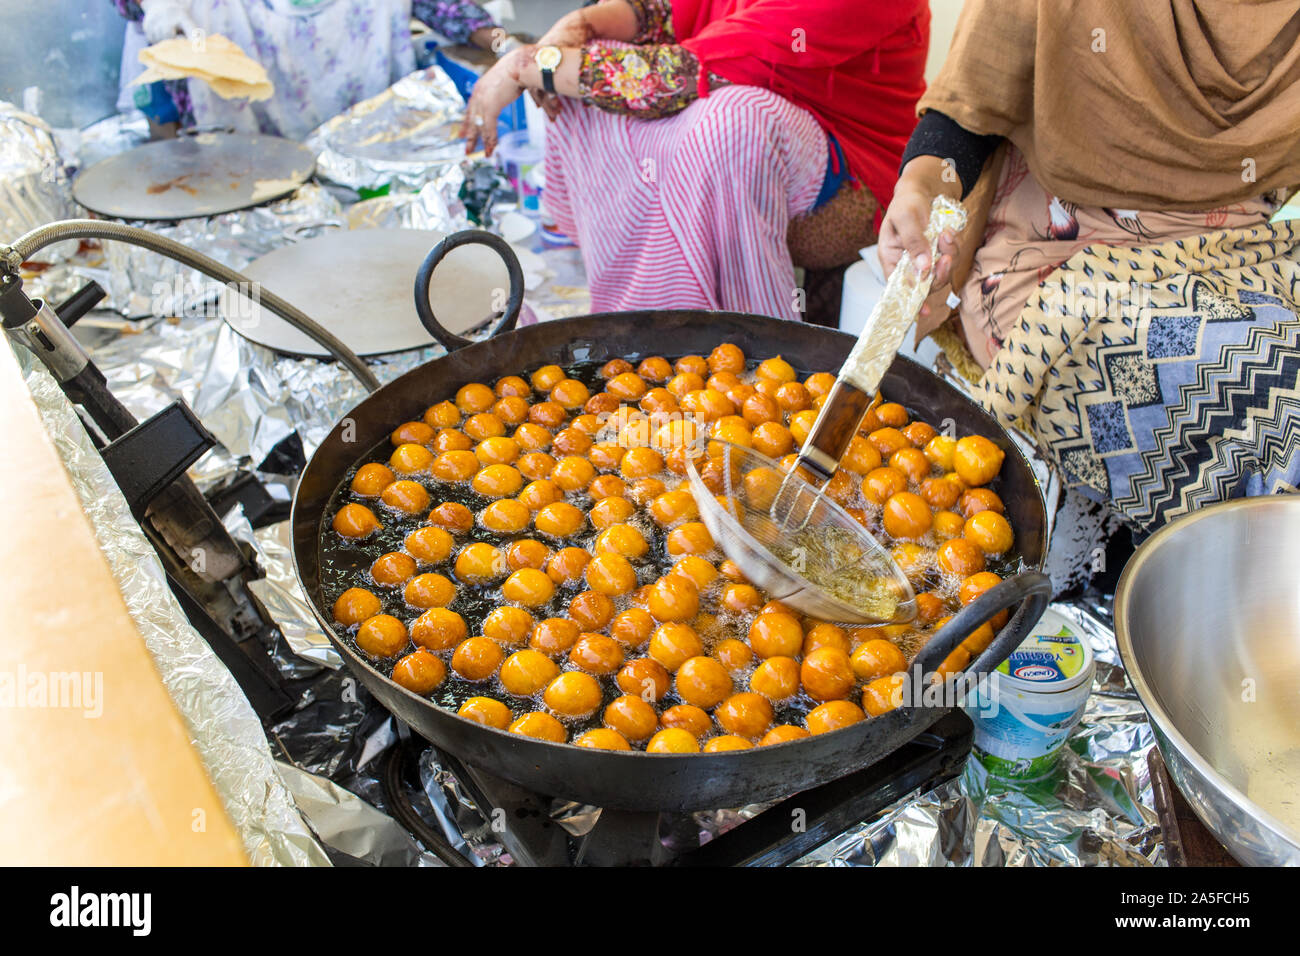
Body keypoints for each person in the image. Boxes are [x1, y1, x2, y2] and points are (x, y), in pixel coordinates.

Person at [879, 0, 1300, 533]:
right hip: (1057, 267)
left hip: (1240, 258)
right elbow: (965, 116)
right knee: (1272, 388)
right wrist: (919, 193)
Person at [462, 0, 930, 322]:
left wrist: (527, 64)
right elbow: (665, 12)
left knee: (733, 122)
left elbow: (674, 77)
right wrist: (584, 22)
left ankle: (754, 345)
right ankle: (640, 316)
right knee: (590, 62)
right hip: (752, 130)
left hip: (853, 181)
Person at [113, 0, 506, 139]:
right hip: (238, 153)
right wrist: (157, 4)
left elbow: (450, 9)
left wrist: (514, 49)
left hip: (363, 146)